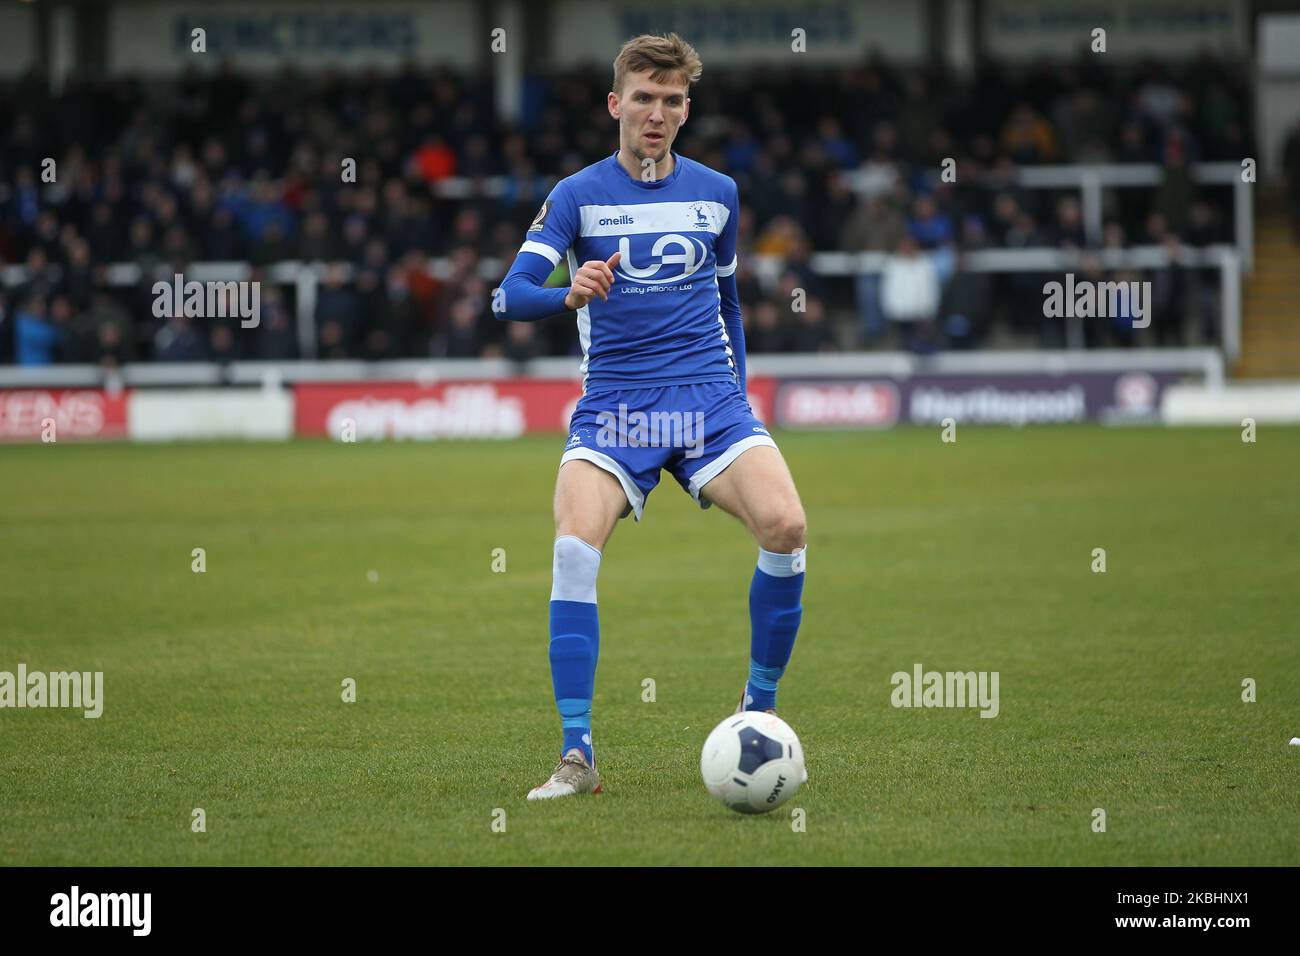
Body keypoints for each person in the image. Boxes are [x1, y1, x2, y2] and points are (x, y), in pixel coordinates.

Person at [496, 33, 808, 800]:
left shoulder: (718, 193)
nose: (656, 114)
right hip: (615, 409)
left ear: (685, 109)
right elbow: (510, 292)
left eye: (671, 101)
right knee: (574, 545)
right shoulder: (576, 196)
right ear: (616, 104)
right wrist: (567, 292)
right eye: (643, 98)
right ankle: (577, 755)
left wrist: (737, 392)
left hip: (708, 402)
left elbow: (730, 300)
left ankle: (756, 714)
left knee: (788, 527)